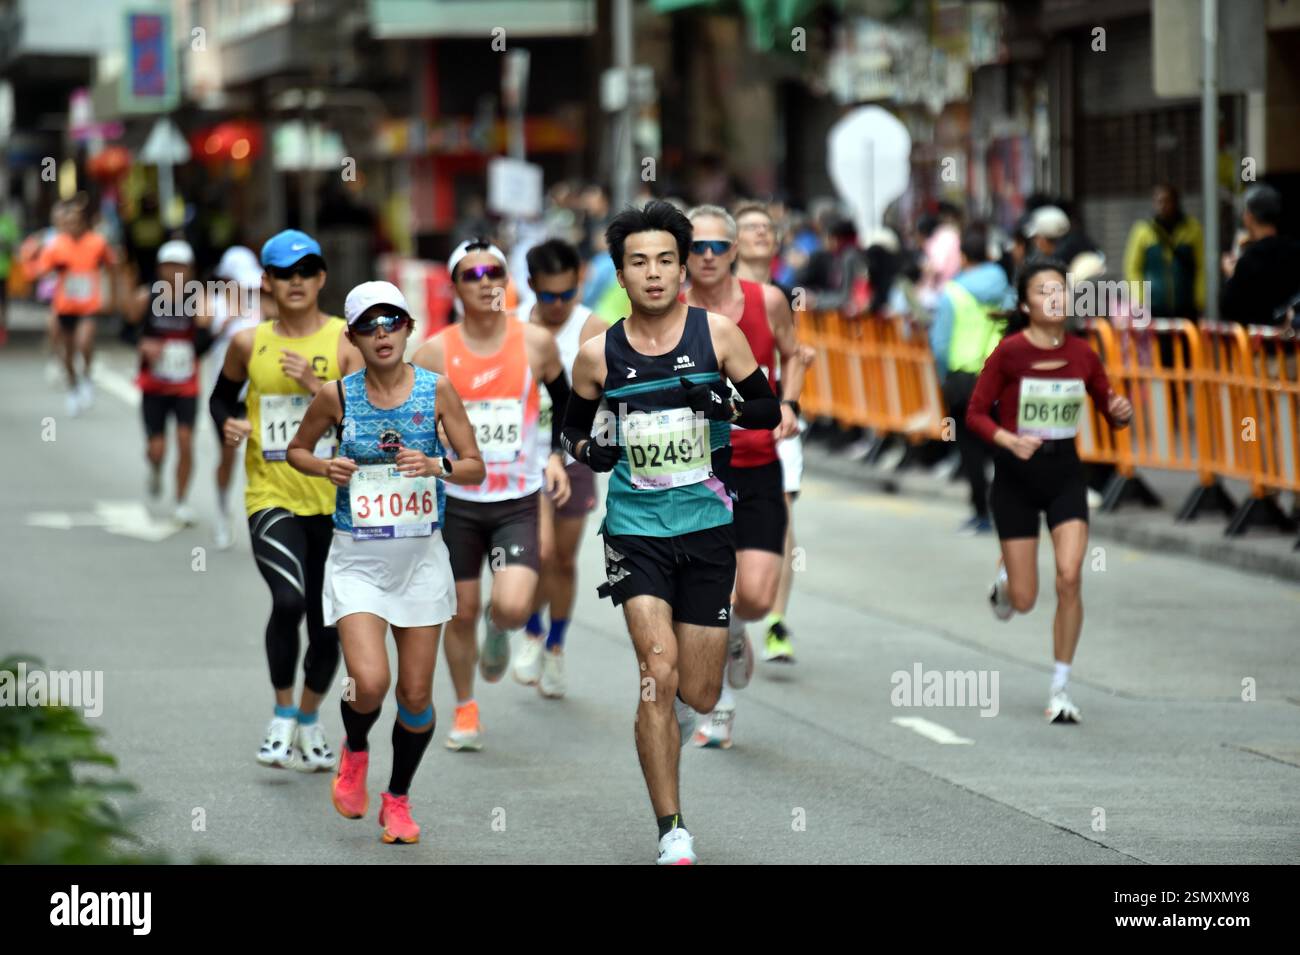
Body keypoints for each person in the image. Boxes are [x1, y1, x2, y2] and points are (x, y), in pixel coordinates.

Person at [560, 200, 781, 864]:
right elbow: (570, 427)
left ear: (682, 266)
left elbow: (768, 408)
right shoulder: (598, 354)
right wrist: (587, 452)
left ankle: (689, 704)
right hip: (635, 530)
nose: (653, 274)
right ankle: (673, 828)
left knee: (701, 691)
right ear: (620, 274)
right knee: (656, 671)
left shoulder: (717, 335)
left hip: (709, 526)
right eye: (638, 262)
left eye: (664, 260)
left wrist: (724, 402)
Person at [286, 281, 485, 845]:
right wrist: (326, 468)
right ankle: (353, 749)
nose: (381, 333)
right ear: (352, 335)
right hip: (358, 562)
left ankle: (397, 798)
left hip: (421, 561)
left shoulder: (437, 390)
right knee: (369, 683)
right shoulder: (338, 396)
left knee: (416, 696)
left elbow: (475, 466)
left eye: (391, 321)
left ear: (408, 329)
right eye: (369, 325)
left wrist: (438, 464)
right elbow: (298, 449)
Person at [208, 229, 362, 769]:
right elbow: (221, 399)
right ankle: (280, 714)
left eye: (306, 272)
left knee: (328, 622)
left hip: (334, 503)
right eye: (283, 274)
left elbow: (368, 416)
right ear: (267, 283)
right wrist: (228, 425)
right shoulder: (249, 343)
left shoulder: (346, 341)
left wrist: (314, 387)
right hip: (270, 493)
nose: (295, 283)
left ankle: (308, 718)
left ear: (321, 278)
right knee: (290, 600)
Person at [411, 239, 572, 751]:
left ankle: (500, 628)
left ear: (507, 282)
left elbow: (569, 403)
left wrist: (554, 456)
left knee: (513, 603)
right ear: (455, 287)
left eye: (494, 272)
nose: (485, 281)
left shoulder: (536, 343)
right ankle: (465, 707)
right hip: (455, 504)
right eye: (472, 273)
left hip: (516, 499)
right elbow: (409, 417)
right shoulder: (434, 352)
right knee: (459, 609)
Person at [967, 259, 1133, 723]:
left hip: (1064, 474)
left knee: (1070, 575)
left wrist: (1121, 411)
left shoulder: (1083, 353)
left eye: (1061, 290)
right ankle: (1005, 584)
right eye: (1044, 291)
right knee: (1024, 600)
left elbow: (1109, 409)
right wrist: (1007, 439)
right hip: (1016, 477)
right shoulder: (1010, 352)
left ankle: (1061, 687)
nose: (1056, 298)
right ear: (1025, 304)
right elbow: (976, 413)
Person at [682, 204, 806, 752]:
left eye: (718, 247)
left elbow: (796, 352)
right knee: (706, 592)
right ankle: (719, 707)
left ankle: (736, 629)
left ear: (734, 251)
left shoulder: (768, 301)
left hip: (756, 465)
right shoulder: (671, 308)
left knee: (754, 598)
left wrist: (790, 403)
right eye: (697, 247)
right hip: (696, 469)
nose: (707, 257)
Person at [515, 239, 606, 698]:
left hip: (574, 459)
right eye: (546, 296)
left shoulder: (594, 328)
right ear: (530, 285)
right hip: (522, 460)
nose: (556, 305)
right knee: (540, 554)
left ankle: (555, 646)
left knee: (564, 560)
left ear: (578, 283)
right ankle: (531, 631)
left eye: (565, 295)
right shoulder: (511, 328)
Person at [731, 201, 815, 661]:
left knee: (780, 510)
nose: (762, 234)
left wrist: (793, 387)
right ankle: (731, 612)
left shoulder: (780, 294)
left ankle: (776, 619)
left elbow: (790, 352)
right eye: (751, 228)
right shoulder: (711, 294)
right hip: (723, 428)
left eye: (768, 227)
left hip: (775, 424)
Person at [929, 224, 1014, 535]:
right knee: (1002, 444)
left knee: (971, 448)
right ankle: (1012, 509)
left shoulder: (953, 292)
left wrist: (943, 378)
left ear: (963, 256)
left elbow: (939, 343)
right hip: (998, 376)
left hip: (963, 379)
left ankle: (982, 514)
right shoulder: (1007, 289)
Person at [125, 240, 212, 524]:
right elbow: (126, 331)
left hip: (186, 385)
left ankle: (181, 501)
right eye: (169, 265)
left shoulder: (199, 300)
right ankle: (155, 467)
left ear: (190, 270)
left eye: (181, 266)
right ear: (160, 268)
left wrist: (205, 328)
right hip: (154, 383)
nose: (175, 271)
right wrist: (144, 344)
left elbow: (204, 343)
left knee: (186, 441)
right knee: (157, 447)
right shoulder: (145, 297)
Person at [29, 200, 119, 416]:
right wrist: (48, 266)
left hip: (87, 306)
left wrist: (112, 296)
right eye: (68, 222)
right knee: (67, 355)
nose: (72, 226)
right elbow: (38, 271)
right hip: (65, 307)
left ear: (83, 222)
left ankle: (87, 376)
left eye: (76, 222)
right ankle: (73, 388)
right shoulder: (56, 245)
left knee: (85, 342)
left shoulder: (97, 243)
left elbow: (112, 265)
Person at [208, 246, 269, 549]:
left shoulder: (266, 308)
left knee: (265, 457)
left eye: (253, 285)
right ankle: (222, 511)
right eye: (241, 284)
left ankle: (265, 516)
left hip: (261, 394)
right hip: (228, 394)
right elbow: (199, 342)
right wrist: (225, 322)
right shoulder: (215, 304)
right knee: (228, 456)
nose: (249, 290)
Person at [1220, 184, 1300, 326]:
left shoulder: (1249, 260)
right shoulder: (1294, 250)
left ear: (1249, 217)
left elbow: (1229, 308)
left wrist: (1232, 276)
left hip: (1258, 344)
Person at [1122, 183, 1204, 320]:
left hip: (1186, 307)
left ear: (1176, 202)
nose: (1163, 206)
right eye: (1159, 201)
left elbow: (1201, 266)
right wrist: (1140, 300)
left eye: (1167, 201)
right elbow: (1132, 269)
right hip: (1154, 307)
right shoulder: (1143, 231)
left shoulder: (1192, 229)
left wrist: (1200, 299)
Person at [0, 200, 19, 349]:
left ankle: (2, 329)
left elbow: (15, 247)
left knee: (3, 303)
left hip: (3, 270)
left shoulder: (8, 223)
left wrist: (4, 243)